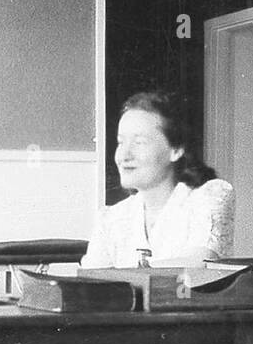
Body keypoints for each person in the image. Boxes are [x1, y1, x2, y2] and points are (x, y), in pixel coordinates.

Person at [80, 91, 233, 269]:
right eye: (121, 142)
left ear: (176, 150)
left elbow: (197, 266)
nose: (124, 155)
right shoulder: (110, 218)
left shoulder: (212, 196)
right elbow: (90, 284)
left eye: (139, 142)